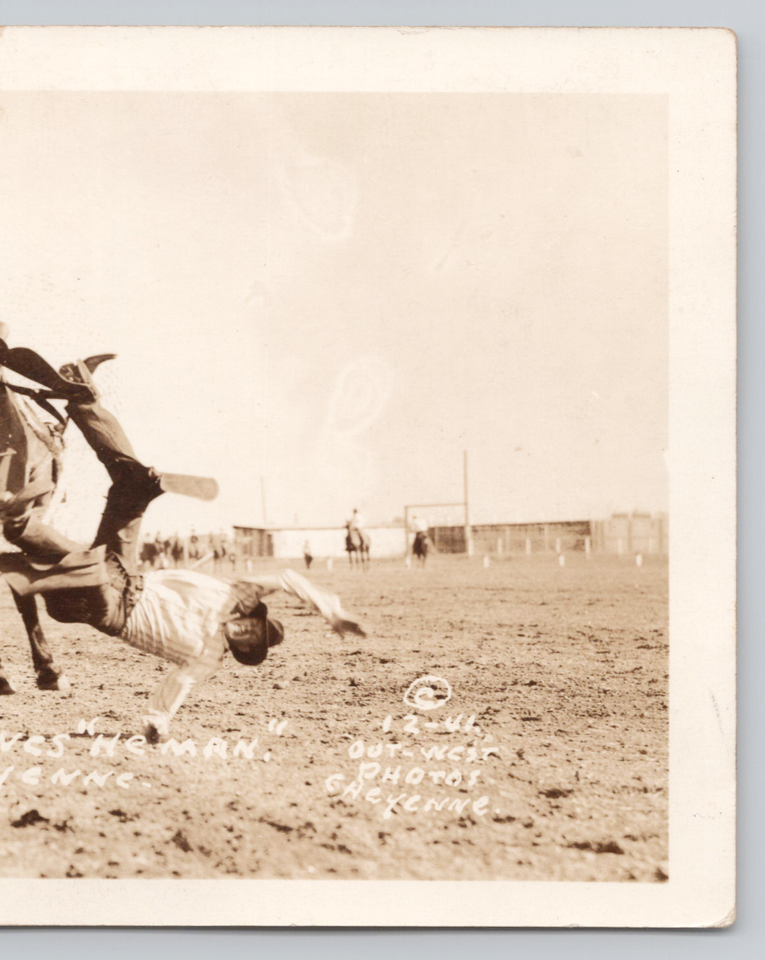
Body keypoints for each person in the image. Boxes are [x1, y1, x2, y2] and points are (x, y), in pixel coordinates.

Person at [0, 351, 365, 740]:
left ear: (239, 649)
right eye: (252, 628)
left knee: (87, 565)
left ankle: (18, 509)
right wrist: (331, 610)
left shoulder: (207, 657)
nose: (245, 633)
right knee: (131, 485)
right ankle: (85, 399)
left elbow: (179, 685)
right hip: (125, 571)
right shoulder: (237, 596)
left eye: (248, 641)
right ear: (252, 617)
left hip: (108, 606)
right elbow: (289, 576)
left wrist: (157, 721)